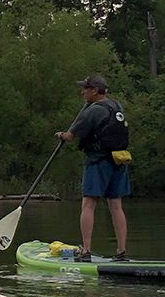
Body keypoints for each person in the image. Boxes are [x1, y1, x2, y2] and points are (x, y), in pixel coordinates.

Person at [56, 75, 131, 262]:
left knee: (88, 204)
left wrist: (62, 135)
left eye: (86, 89)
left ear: (95, 91)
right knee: (116, 206)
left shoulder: (94, 110)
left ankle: (86, 251)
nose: (83, 92)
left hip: (98, 161)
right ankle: (121, 252)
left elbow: (71, 136)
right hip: (119, 161)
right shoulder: (117, 106)